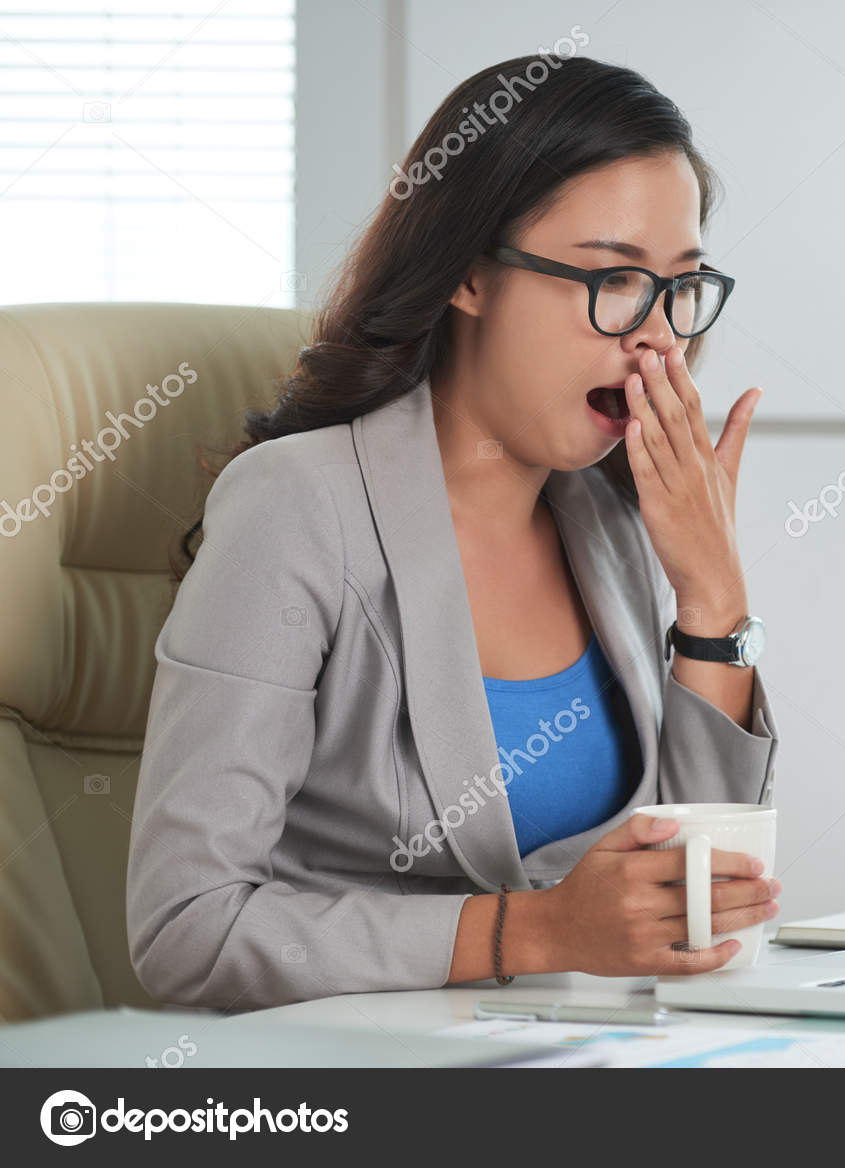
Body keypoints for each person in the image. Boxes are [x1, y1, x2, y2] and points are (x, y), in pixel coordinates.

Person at [126, 55, 780, 1011]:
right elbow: (188, 929)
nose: (657, 341)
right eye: (612, 281)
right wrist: (542, 929)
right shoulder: (293, 506)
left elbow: (698, 894)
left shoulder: (608, 519)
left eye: (678, 288)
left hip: (577, 1050)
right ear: (470, 274)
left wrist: (714, 602)